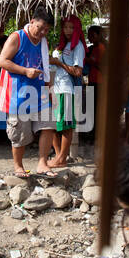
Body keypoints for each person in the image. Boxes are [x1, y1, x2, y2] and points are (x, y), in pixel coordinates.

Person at [0, 8, 58, 177]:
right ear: (32, 21)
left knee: (48, 126)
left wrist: (50, 89)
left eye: (47, 29)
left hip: (40, 92)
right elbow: (2, 61)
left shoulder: (43, 42)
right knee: (19, 133)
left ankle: (42, 163)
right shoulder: (17, 37)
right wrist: (25, 71)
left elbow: (45, 67)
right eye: (40, 27)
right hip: (18, 94)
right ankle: (18, 167)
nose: (43, 32)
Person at [50, 15, 85, 167]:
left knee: (66, 126)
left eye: (72, 27)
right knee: (52, 125)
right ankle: (59, 156)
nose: (68, 30)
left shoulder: (78, 47)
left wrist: (59, 63)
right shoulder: (62, 46)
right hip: (56, 88)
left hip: (66, 89)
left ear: (77, 29)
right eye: (65, 27)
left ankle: (62, 159)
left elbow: (78, 72)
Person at [84, 25, 105, 127]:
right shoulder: (94, 48)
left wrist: (88, 60)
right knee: (92, 107)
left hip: (99, 82)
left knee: (95, 108)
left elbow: (97, 62)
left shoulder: (101, 48)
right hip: (93, 81)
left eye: (91, 35)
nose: (89, 38)